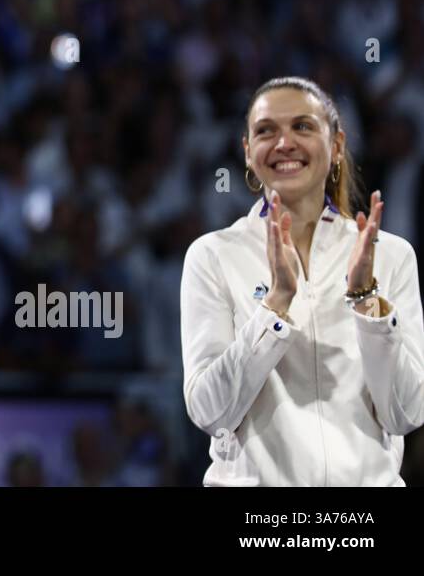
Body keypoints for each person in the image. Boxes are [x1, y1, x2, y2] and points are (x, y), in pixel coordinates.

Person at [180, 76, 424, 485]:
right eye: (266, 131)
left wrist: (367, 301)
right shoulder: (213, 255)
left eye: (303, 126)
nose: (284, 143)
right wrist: (275, 305)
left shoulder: (390, 255)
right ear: (247, 152)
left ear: (337, 146)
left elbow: (405, 413)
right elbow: (211, 411)